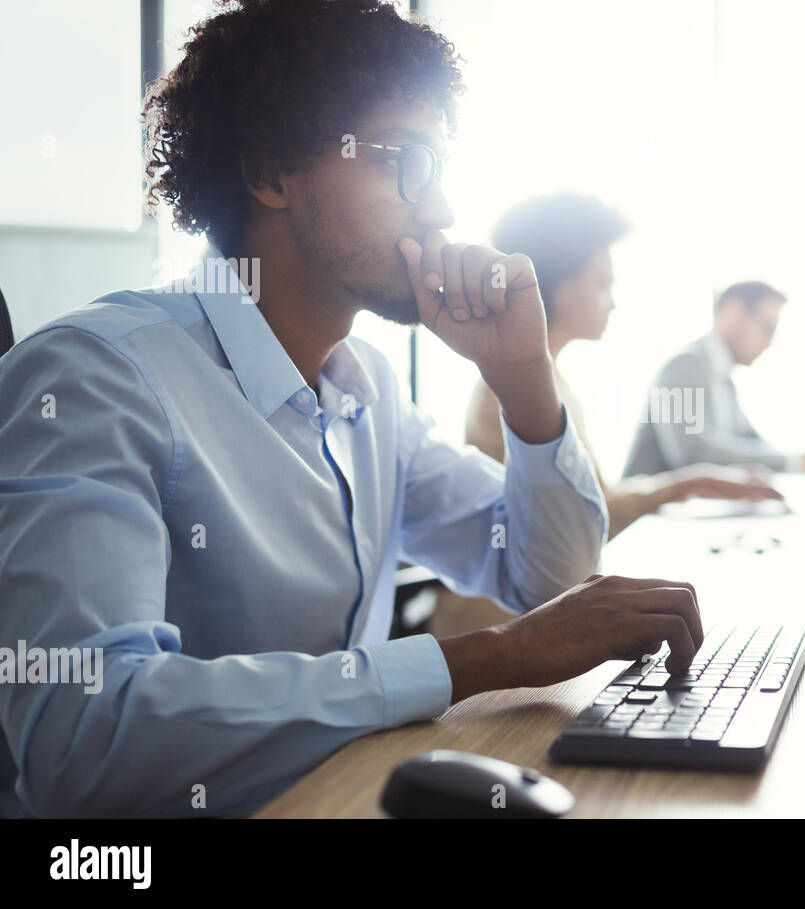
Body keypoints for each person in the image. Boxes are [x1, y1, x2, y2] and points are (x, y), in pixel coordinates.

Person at [0, 0, 703, 818]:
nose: (440, 210)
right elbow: (82, 736)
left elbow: (547, 572)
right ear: (272, 171)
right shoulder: (97, 378)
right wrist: (486, 658)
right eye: (407, 161)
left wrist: (523, 377)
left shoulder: (365, 384)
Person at [464, 192, 783, 544]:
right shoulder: (686, 367)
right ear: (555, 285)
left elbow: (589, 501)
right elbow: (583, 519)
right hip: (519, 594)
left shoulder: (553, 380)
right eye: (602, 283)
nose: (613, 302)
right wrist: (696, 480)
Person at [622, 281, 805, 478]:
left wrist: (794, 459)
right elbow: (692, 454)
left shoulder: (723, 378)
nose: (769, 342)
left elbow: (750, 440)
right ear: (733, 310)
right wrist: (791, 462)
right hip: (651, 510)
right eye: (766, 328)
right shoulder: (684, 365)